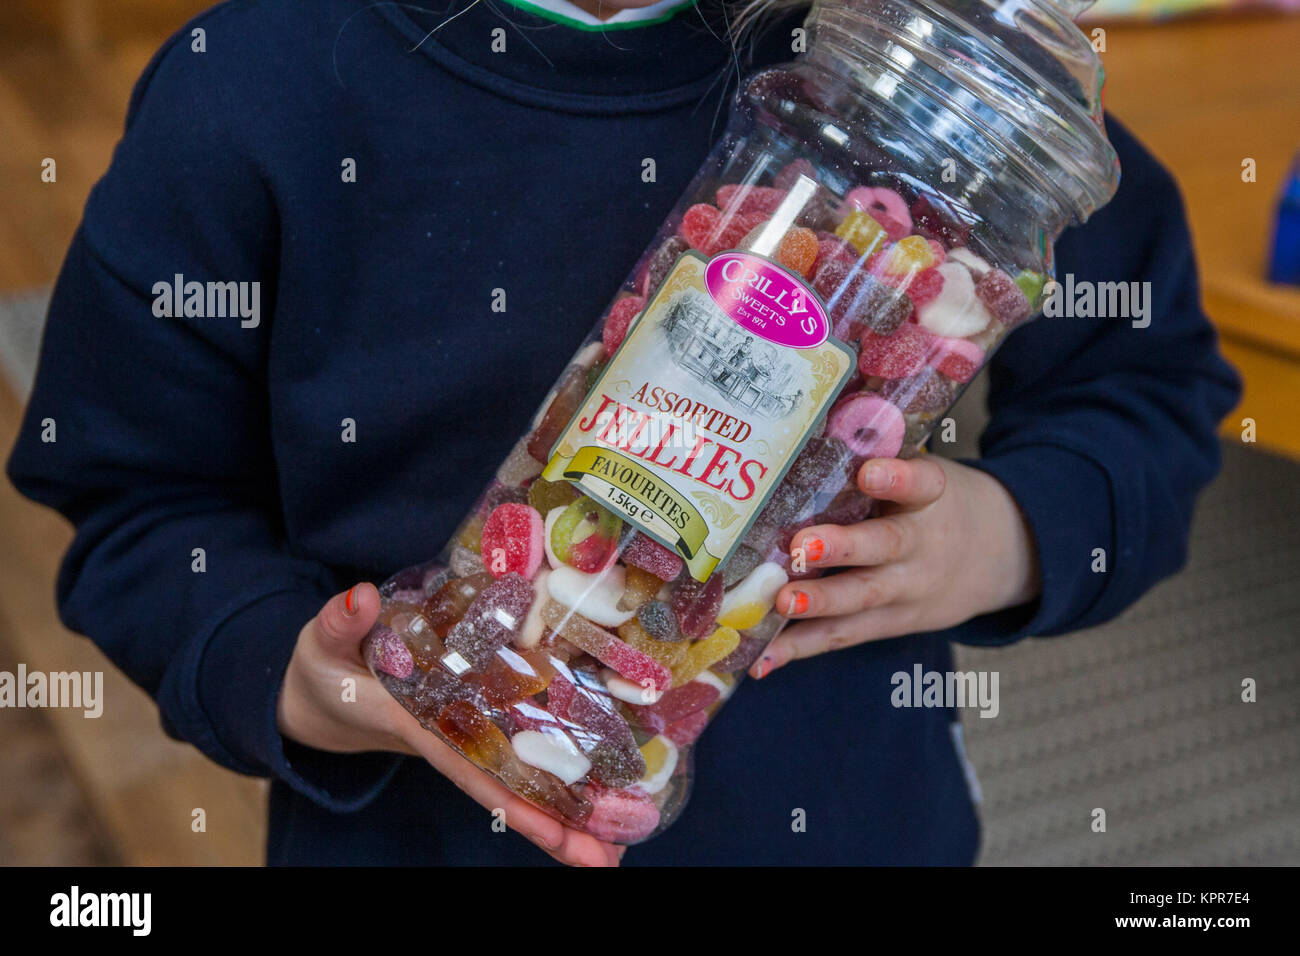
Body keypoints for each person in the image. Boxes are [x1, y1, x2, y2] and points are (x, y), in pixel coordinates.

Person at [6, 0, 1240, 866]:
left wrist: (1007, 534)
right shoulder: (253, 89)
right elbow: (139, 502)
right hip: (413, 833)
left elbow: (1148, 392)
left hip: (843, 824)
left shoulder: (930, 85)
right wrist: (288, 672)